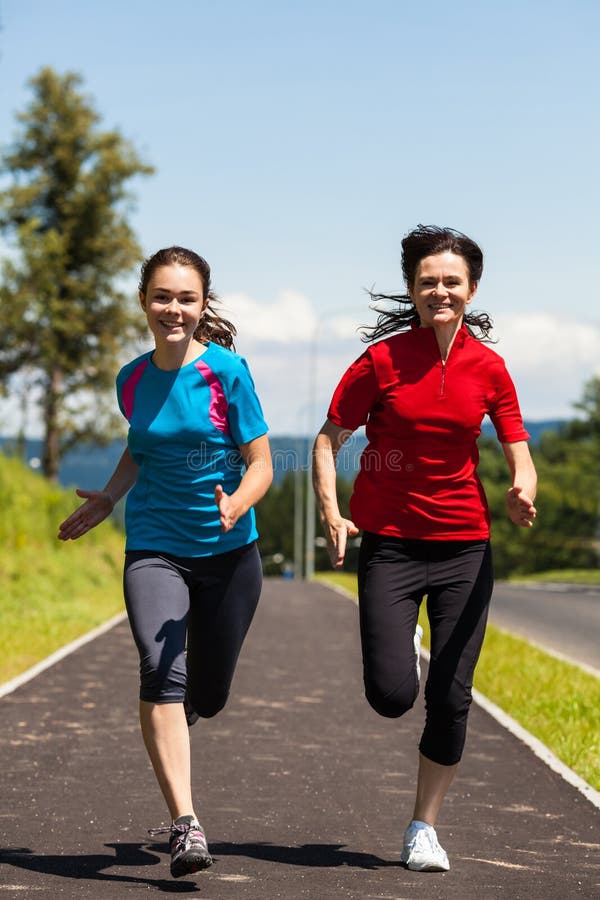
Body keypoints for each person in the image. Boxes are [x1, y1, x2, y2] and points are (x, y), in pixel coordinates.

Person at [312, 225, 536, 872]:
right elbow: (328, 439)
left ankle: (422, 827)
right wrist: (331, 509)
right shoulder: (381, 362)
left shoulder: (490, 368)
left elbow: (518, 450)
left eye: (452, 281)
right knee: (390, 696)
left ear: (472, 289)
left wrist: (522, 487)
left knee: (453, 695)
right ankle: (406, 647)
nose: (440, 290)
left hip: (466, 546)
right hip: (390, 545)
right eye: (428, 280)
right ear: (413, 289)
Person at [58, 246, 272, 879]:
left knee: (208, 692)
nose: (173, 309)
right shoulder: (131, 378)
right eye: (162, 297)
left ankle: (186, 712)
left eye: (186, 298)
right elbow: (140, 448)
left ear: (202, 305)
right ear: (143, 302)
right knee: (159, 670)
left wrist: (236, 502)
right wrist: (109, 497)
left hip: (230, 553)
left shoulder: (227, 373)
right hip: (154, 545)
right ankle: (186, 824)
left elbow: (261, 461)